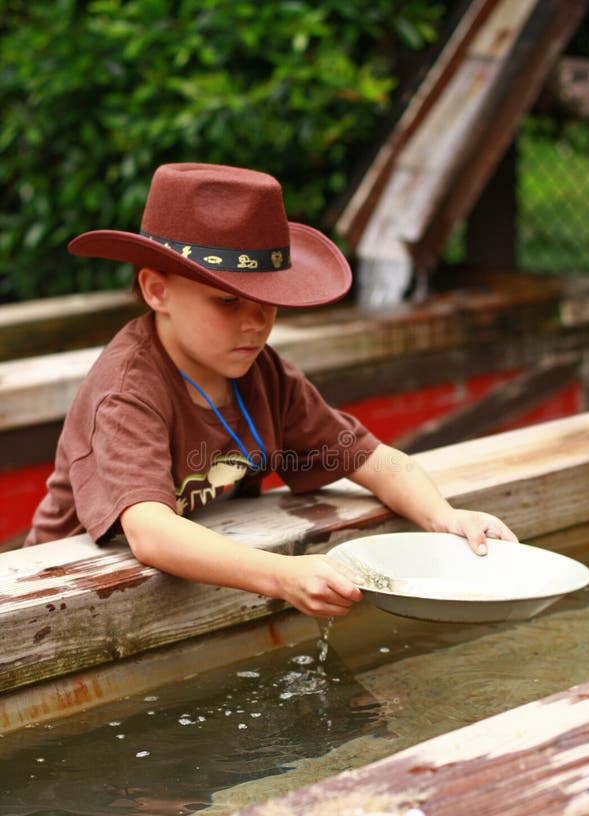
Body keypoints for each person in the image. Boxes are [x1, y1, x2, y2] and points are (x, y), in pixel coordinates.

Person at [25, 162, 517, 618]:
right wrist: (284, 576)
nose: (255, 323)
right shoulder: (127, 391)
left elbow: (374, 459)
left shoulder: (263, 374)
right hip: (62, 596)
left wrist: (444, 517)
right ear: (158, 291)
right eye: (227, 301)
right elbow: (150, 533)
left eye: (267, 300)